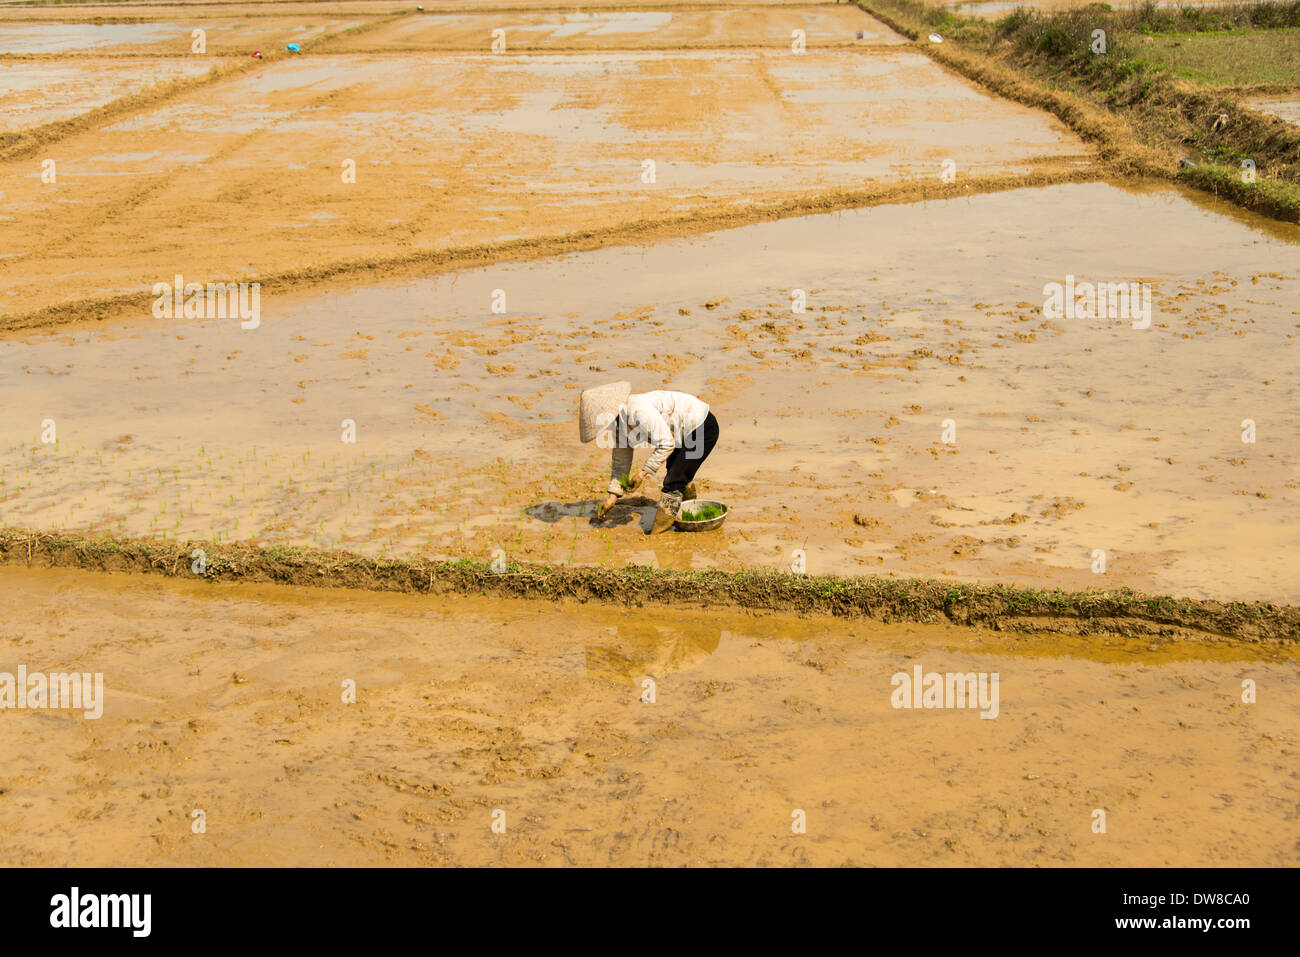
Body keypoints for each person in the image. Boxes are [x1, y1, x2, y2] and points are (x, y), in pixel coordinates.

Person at [578, 381, 720, 534]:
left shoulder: (638, 411)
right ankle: (686, 513)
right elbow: (621, 458)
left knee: (673, 482)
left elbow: (666, 444)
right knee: (674, 470)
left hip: (702, 427)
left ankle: (659, 532)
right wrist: (612, 497)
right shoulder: (619, 423)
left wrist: (643, 473)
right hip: (681, 433)